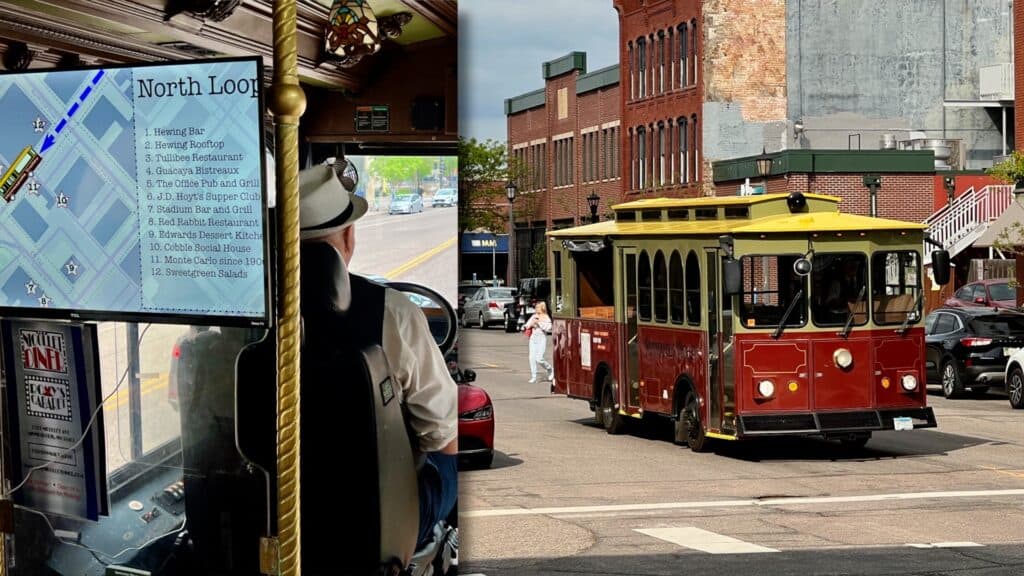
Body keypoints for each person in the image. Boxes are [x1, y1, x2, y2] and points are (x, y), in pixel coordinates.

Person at [298, 164, 458, 550]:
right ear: (349, 237)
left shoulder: (249, 317)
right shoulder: (394, 312)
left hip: (263, 517)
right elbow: (442, 432)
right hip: (370, 530)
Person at [523, 301, 554, 383]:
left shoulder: (546, 317)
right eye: (536, 307)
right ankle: (534, 376)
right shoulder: (534, 316)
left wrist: (539, 323)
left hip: (541, 338)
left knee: (539, 358)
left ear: (542, 308)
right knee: (531, 358)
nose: (536, 309)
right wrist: (531, 324)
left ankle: (550, 369)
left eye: (537, 307)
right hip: (533, 338)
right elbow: (526, 325)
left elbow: (549, 328)